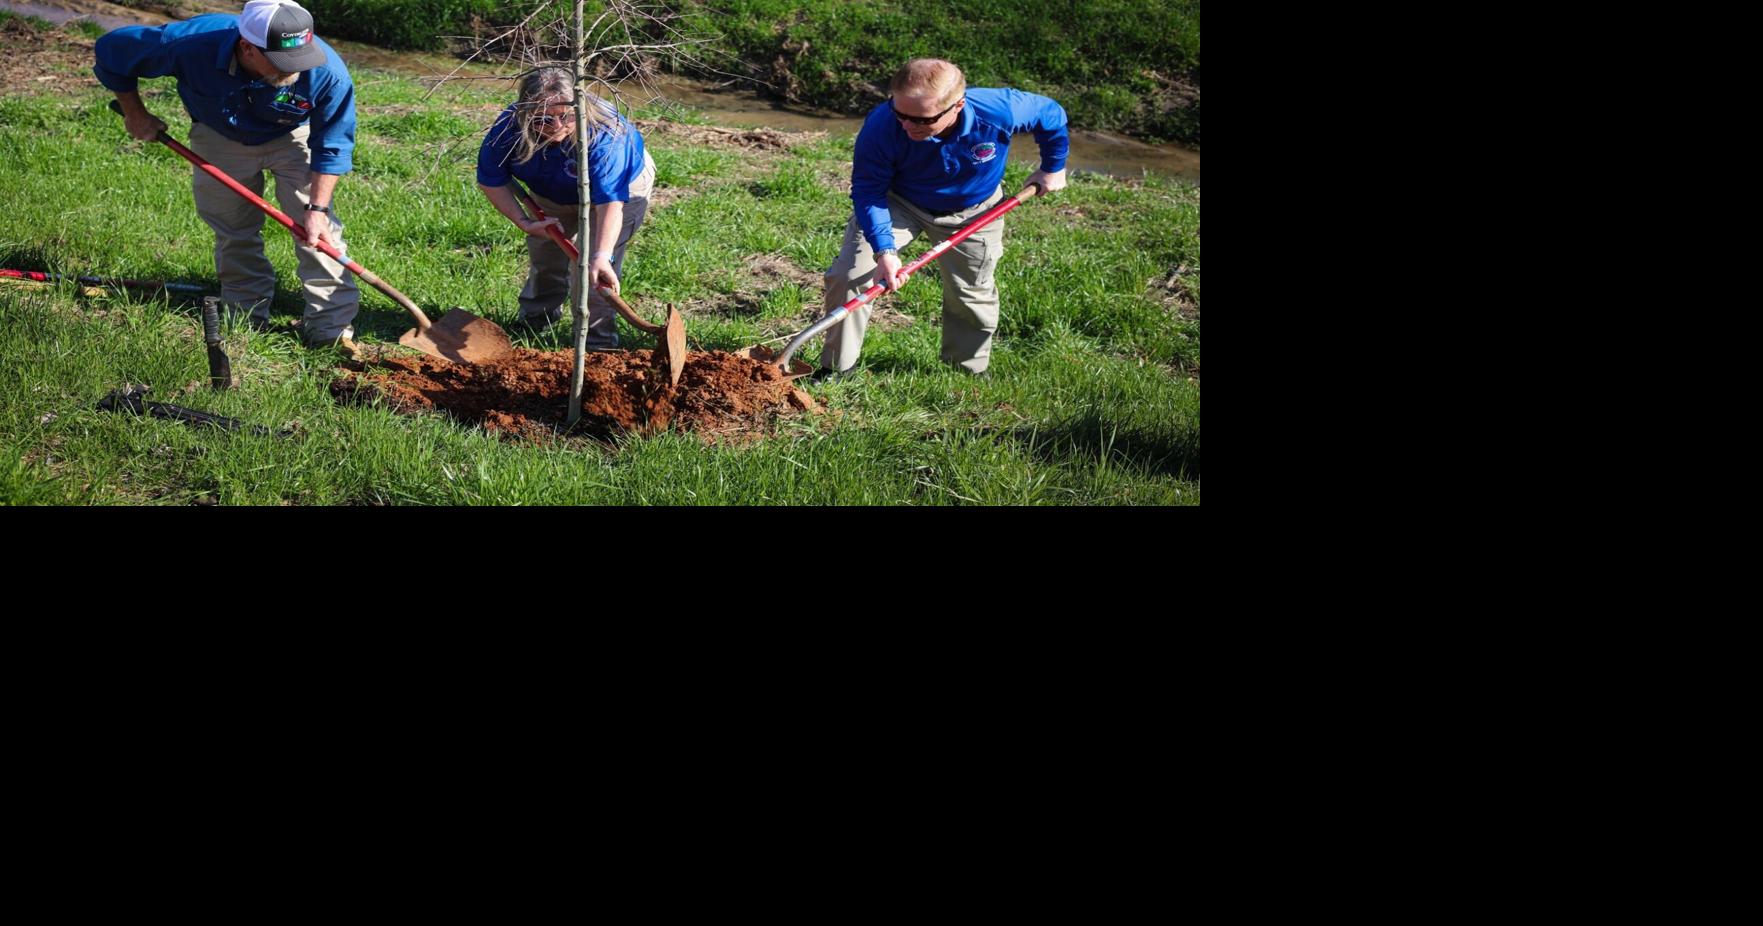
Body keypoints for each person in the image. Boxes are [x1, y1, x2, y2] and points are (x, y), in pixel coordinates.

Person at [95, 0, 360, 346]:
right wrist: (135, 113)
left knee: (318, 234)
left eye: (300, 57)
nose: (294, 69)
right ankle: (247, 314)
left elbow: (334, 143)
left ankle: (330, 331)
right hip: (219, 135)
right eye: (282, 61)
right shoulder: (187, 44)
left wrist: (318, 210)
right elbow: (112, 52)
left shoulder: (327, 71)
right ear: (247, 47)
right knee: (234, 228)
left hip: (292, 136)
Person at [817, 58, 1069, 380]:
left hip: (974, 209)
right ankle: (837, 368)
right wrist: (885, 252)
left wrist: (1053, 166)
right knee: (852, 273)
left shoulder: (999, 111)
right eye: (901, 114)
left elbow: (1051, 115)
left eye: (922, 120)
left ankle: (966, 370)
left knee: (971, 292)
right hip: (901, 202)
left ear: (957, 106)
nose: (907, 126)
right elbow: (868, 192)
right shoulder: (882, 125)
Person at [476, 67, 655, 346]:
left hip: (619, 191)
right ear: (525, 112)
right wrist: (524, 222)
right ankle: (534, 323)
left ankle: (597, 344)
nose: (556, 126)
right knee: (546, 254)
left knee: (591, 273)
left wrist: (601, 255)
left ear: (581, 108)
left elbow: (609, 203)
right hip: (551, 188)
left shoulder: (607, 137)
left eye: (567, 116)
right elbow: (491, 180)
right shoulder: (509, 129)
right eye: (543, 119)